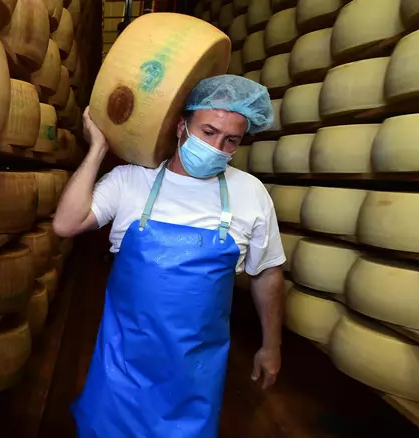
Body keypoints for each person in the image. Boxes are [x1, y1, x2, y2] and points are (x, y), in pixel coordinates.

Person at [52, 74, 286, 438]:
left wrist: (271, 346)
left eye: (230, 140)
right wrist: (98, 149)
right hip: (123, 368)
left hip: (195, 375)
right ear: (181, 127)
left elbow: (267, 273)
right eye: (208, 132)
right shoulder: (132, 181)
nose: (216, 146)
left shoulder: (249, 193)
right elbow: (66, 224)